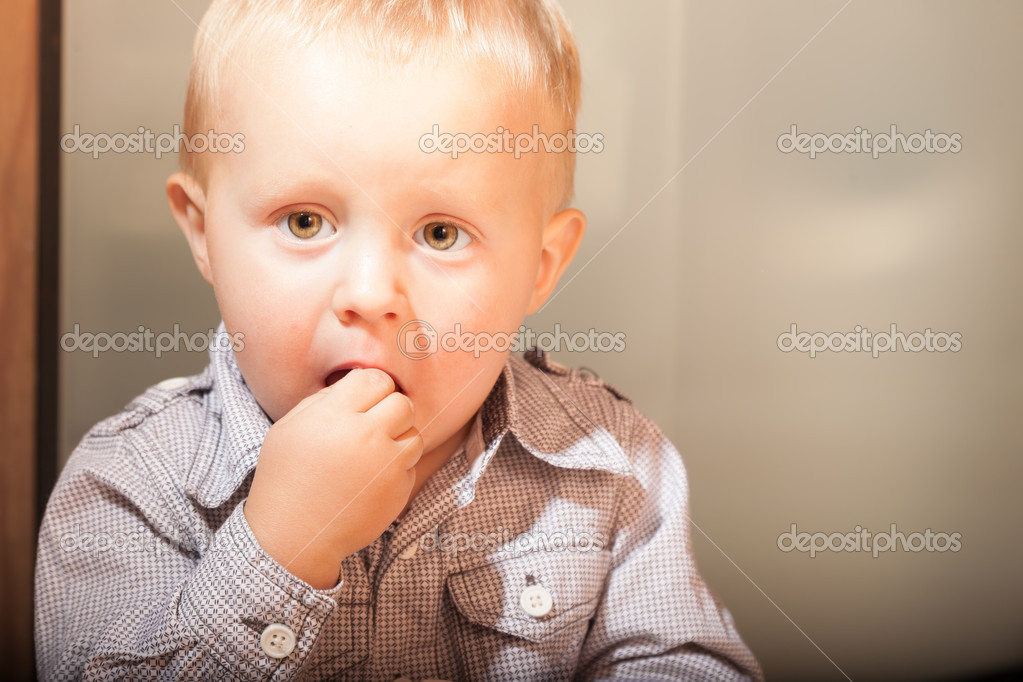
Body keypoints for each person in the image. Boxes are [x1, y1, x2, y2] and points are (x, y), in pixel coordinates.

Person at [35, 1, 763, 679]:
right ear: (203, 234)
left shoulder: (612, 469)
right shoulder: (130, 484)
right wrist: (280, 548)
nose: (370, 294)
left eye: (440, 233)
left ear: (539, 267)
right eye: (305, 222)